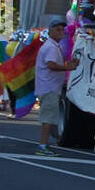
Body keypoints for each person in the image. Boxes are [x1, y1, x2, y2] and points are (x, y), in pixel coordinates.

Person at [36, 19, 79, 156]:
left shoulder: (54, 46)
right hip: (49, 88)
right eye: (57, 30)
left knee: (49, 118)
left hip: (50, 87)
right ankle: (42, 146)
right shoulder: (51, 47)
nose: (61, 32)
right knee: (48, 119)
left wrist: (68, 64)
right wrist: (67, 67)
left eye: (62, 30)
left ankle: (45, 144)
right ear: (50, 31)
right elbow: (51, 65)